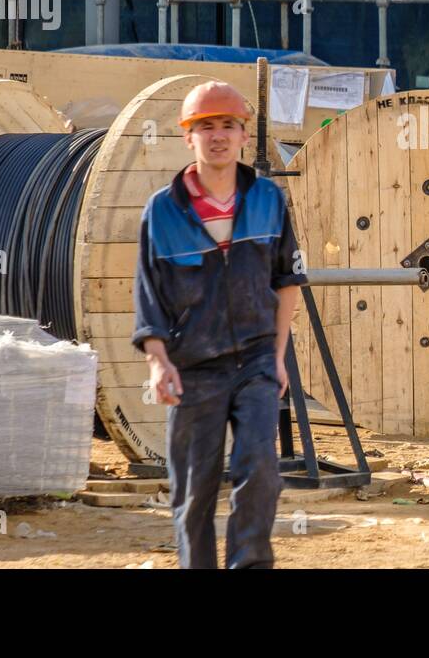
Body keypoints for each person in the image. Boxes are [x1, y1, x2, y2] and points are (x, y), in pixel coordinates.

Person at [132, 80, 307, 568]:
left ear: (243, 134)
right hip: (192, 367)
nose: (218, 136)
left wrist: (276, 355)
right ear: (188, 137)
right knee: (194, 491)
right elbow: (148, 297)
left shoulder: (268, 200)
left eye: (228, 125)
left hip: (254, 360)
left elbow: (287, 279)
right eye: (204, 127)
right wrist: (158, 362)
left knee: (260, 469)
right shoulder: (162, 211)